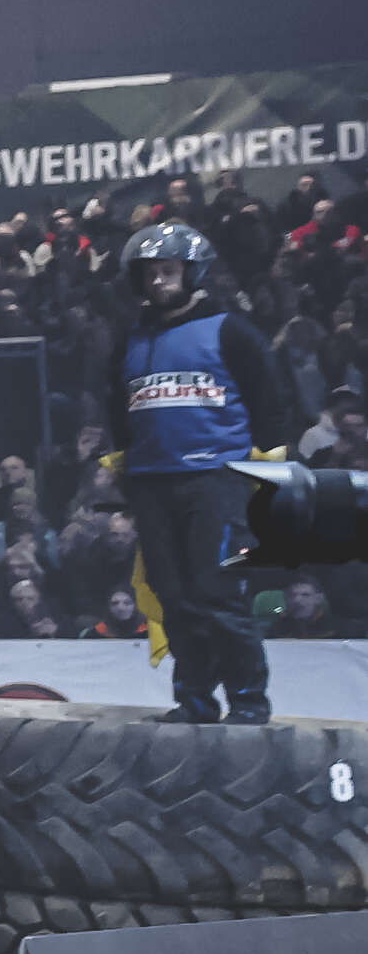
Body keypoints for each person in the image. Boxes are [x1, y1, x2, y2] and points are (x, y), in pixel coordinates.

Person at [106, 220, 299, 722]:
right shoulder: (128, 341)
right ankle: (194, 701)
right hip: (152, 482)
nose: (157, 282)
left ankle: (249, 704)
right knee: (174, 597)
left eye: (168, 271)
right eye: (148, 273)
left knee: (217, 594)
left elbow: (270, 405)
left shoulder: (231, 330)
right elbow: (116, 411)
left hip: (217, 480)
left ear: (193, 274)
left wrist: (256, 477)